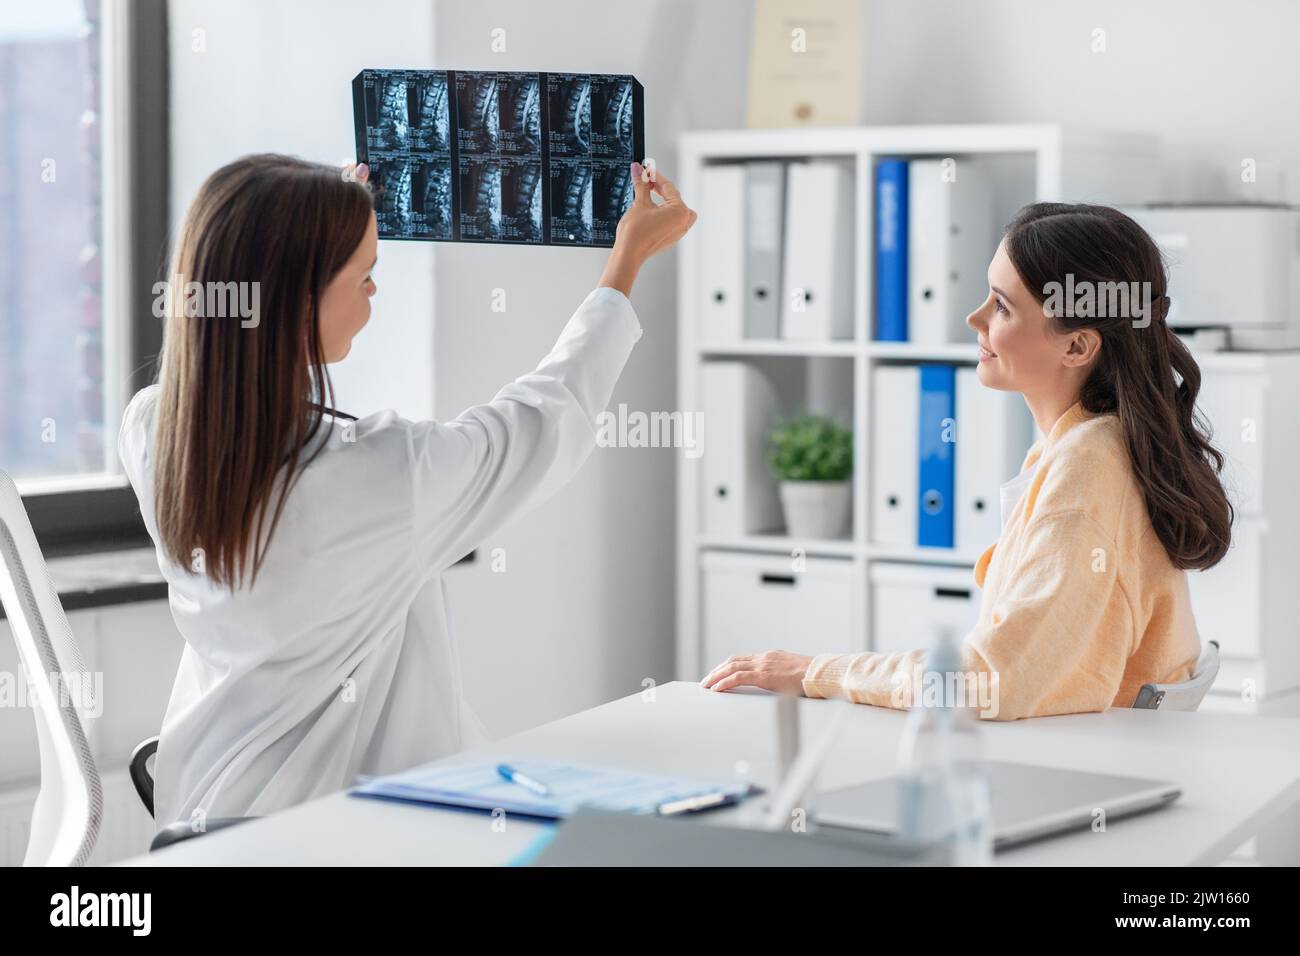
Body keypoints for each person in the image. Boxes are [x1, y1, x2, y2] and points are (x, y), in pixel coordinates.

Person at [119, 154, 695, 827]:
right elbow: (542, 420)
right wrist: (624, 265)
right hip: (336, 836)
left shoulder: (154, 431)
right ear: (297, 301)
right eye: (364, 275)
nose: (373, 292)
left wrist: (330, 218)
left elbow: (257, 391)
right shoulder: (385, 478)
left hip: (201, 818)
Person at [703, 203, 1232, 720]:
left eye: (1002, 306)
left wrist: (816, 673)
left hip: (1088, 768)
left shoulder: (1088, 468)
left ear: (1076, 346)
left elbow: (987, 681)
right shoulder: (1088, 443)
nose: (974, 316)